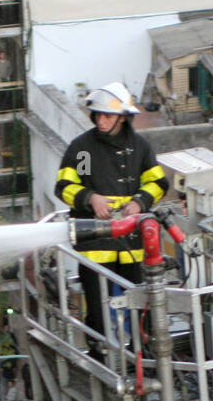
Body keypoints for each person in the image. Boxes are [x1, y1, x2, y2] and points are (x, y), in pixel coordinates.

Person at [54, 82, 169, 357]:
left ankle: (145, 352)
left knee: (142, 303)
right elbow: (66, 186)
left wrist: (139, 202)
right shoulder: (83, 149)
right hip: (96, 244)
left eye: (108, 116)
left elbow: (158, 183)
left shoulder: (140, 147)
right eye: (98, 115)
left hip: (132, 244)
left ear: (122, 117)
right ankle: (100, 353)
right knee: (97, 306)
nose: (101, 121)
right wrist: (90, 198)